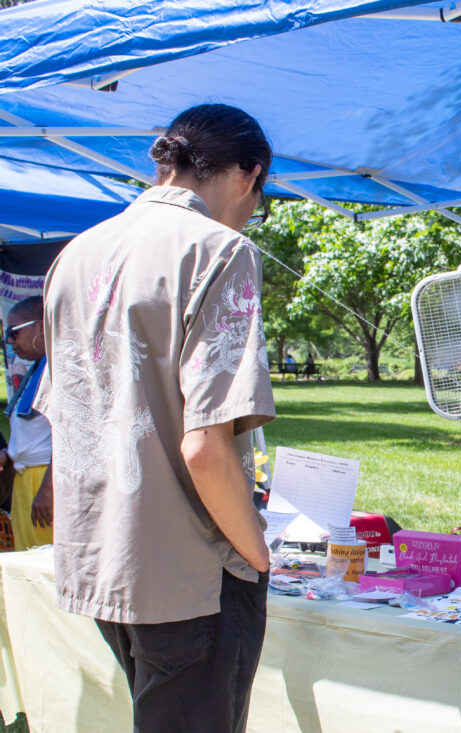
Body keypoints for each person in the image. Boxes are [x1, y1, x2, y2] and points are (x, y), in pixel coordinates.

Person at [36, 104, 274, 733]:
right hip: (192, 569)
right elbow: (206, 447)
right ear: (251, 177)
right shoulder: (222, 250)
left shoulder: (77, 254)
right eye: (261, 199)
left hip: (104, 557)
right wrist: (257, 552)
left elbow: (68, 418)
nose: (253, 212)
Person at [2, 296, 53, 550]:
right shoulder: (37, 370)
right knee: (26, 560)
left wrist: (48, 488)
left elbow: (69, 433)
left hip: (44, 479)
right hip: (25, 482)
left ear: (41, 327)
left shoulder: (58, 369)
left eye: (14, 332)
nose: (10, 341)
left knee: (46, 561)